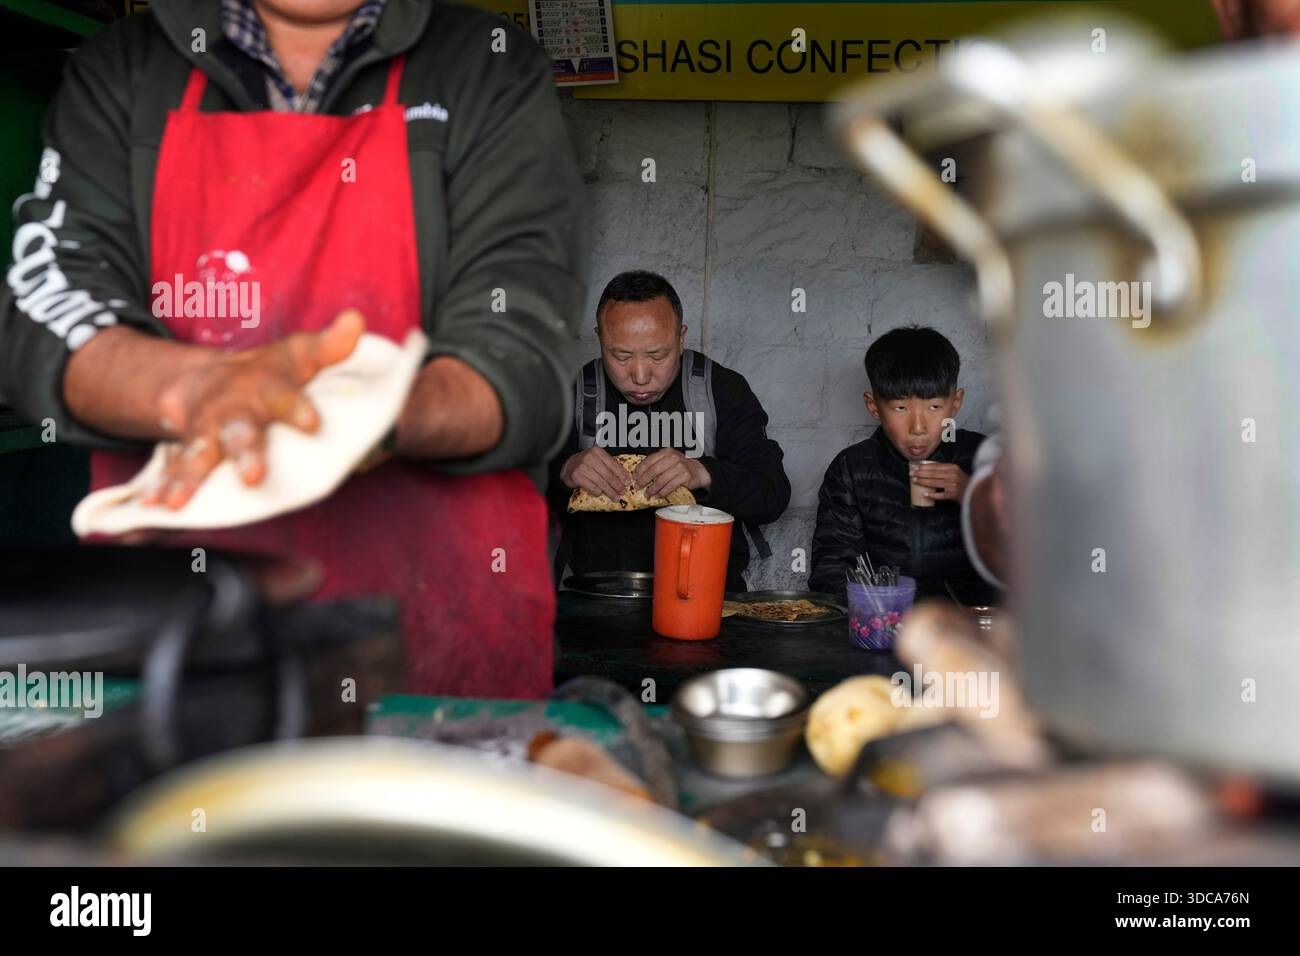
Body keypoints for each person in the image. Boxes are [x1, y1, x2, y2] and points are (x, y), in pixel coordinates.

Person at [0, 0, 589, 698]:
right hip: (175, 647)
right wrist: (196, 388)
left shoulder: (487, 67)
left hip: (440, 660)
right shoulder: (128, 68)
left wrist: (350, 410)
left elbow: (521, 350)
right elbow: (43, 314)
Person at [549, 271, 790, 592]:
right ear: (600, 338)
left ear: (680, 337)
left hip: (707, 593)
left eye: (657, 355)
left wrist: (703, 473)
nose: (640, 375)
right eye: (620, 355)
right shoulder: (578, 392)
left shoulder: (720, 389)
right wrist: (565, 469)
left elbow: (772, 496)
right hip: (599, 594)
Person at [809, 325, 996, 605]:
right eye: (900, 408)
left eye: (934, 407)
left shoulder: (984, 457)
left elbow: (1032, 558)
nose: (918, 427)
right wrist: (876, 618)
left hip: (972, 629)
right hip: (883, 625)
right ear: (873, 407)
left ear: (955, 402)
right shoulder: (852, 469)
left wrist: (973, 493)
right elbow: (831, 571)